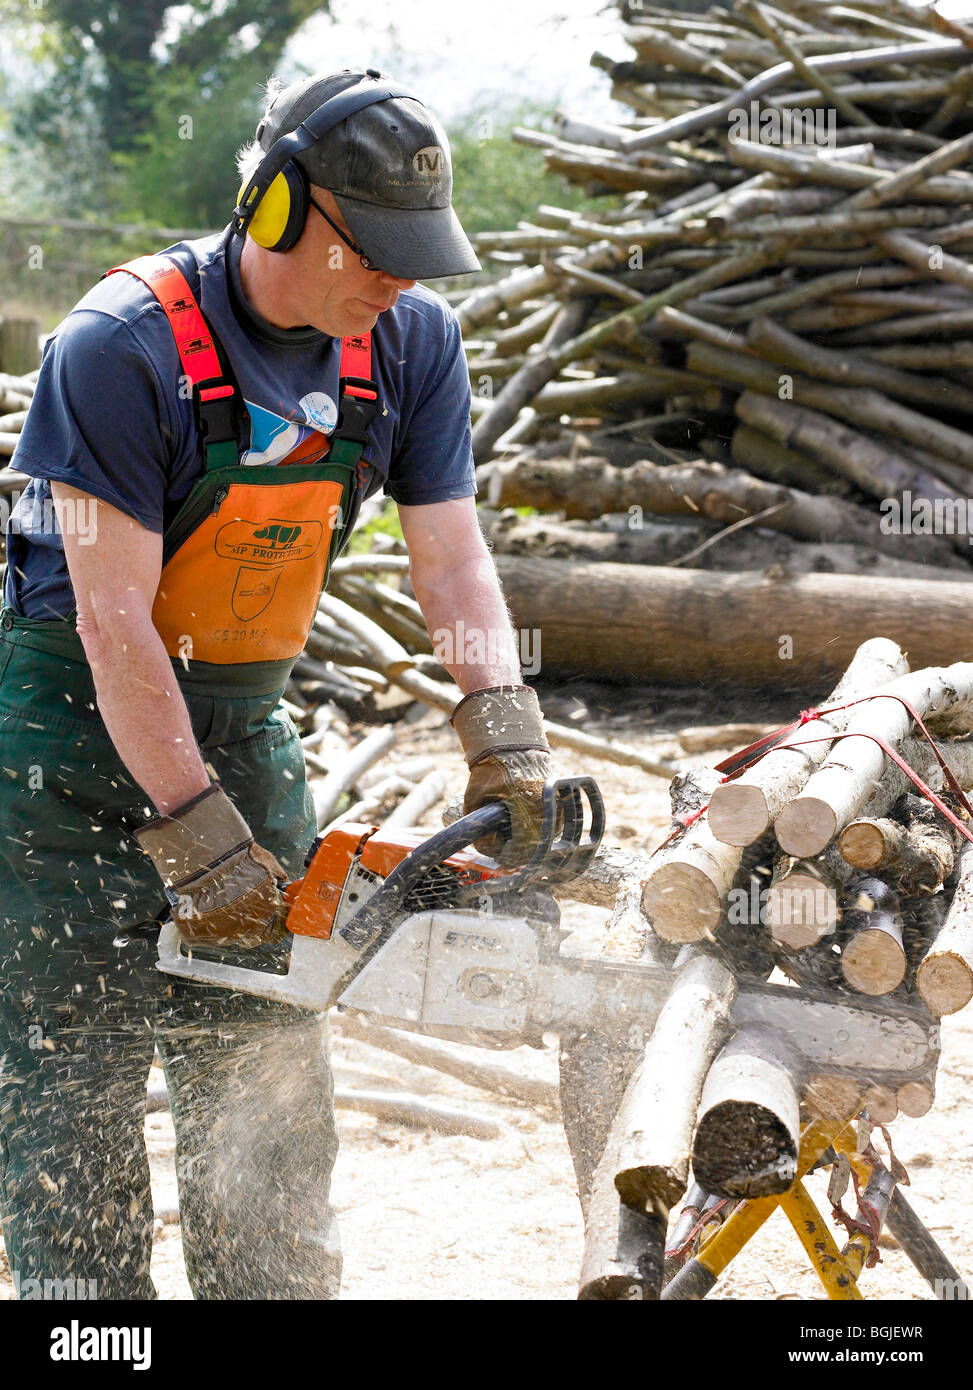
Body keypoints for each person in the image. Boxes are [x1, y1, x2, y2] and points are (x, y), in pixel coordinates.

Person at [0, 68, 555, 1301]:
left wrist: (504, 739)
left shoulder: (407, 342)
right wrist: (195, 838)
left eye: (419, 256)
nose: (401, 282)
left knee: (265, 1078)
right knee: (70, 1097)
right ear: (276, 210)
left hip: (246, 731)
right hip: (70, 754)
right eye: (377, 253)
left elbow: (453, 555)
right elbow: (110, 620)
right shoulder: (122, 346)